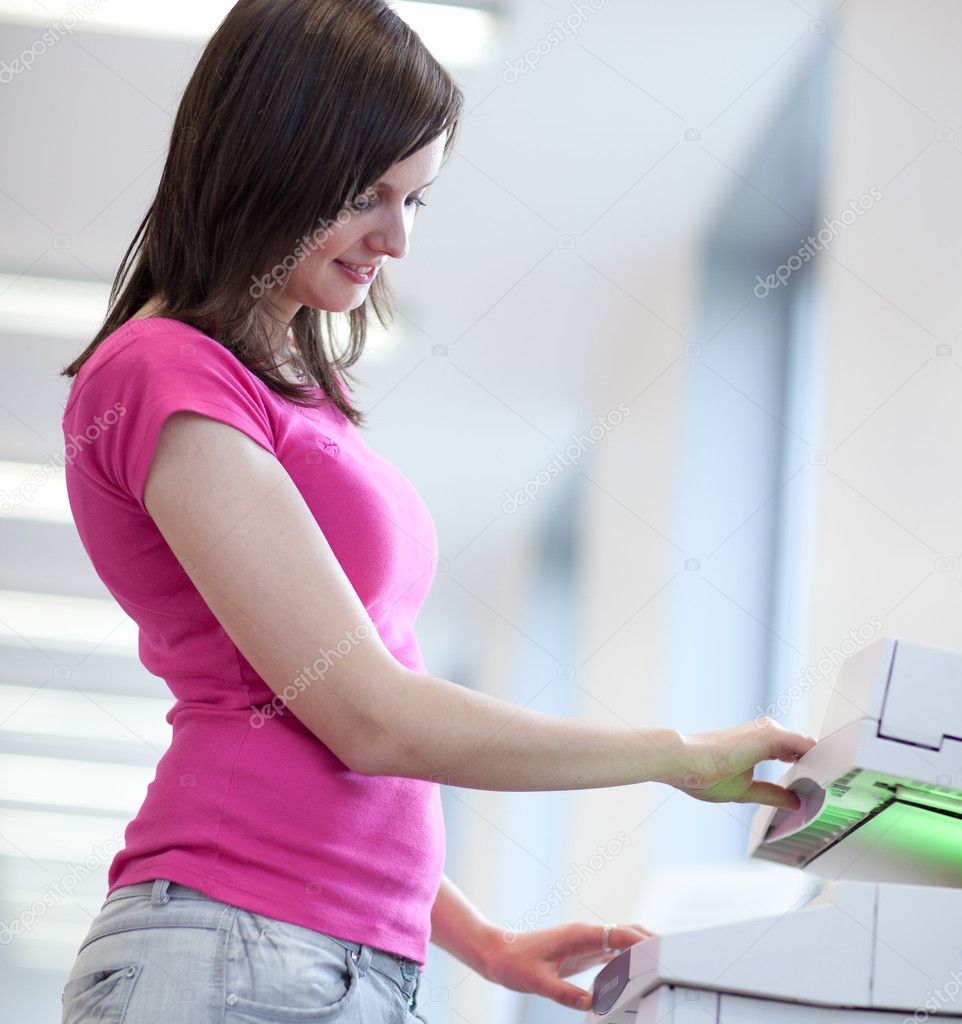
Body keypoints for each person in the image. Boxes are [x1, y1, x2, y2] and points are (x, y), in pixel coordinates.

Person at [57, 1, 817, 1021]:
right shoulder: (164, 373)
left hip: (320, 947)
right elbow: (367, 715)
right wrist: (675, 756)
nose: (396, 239)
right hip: (236, 940)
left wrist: (475, 937)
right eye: (368, 195)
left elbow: (343, 711)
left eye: (417, 200)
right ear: (268, 161)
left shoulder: (283, 389)